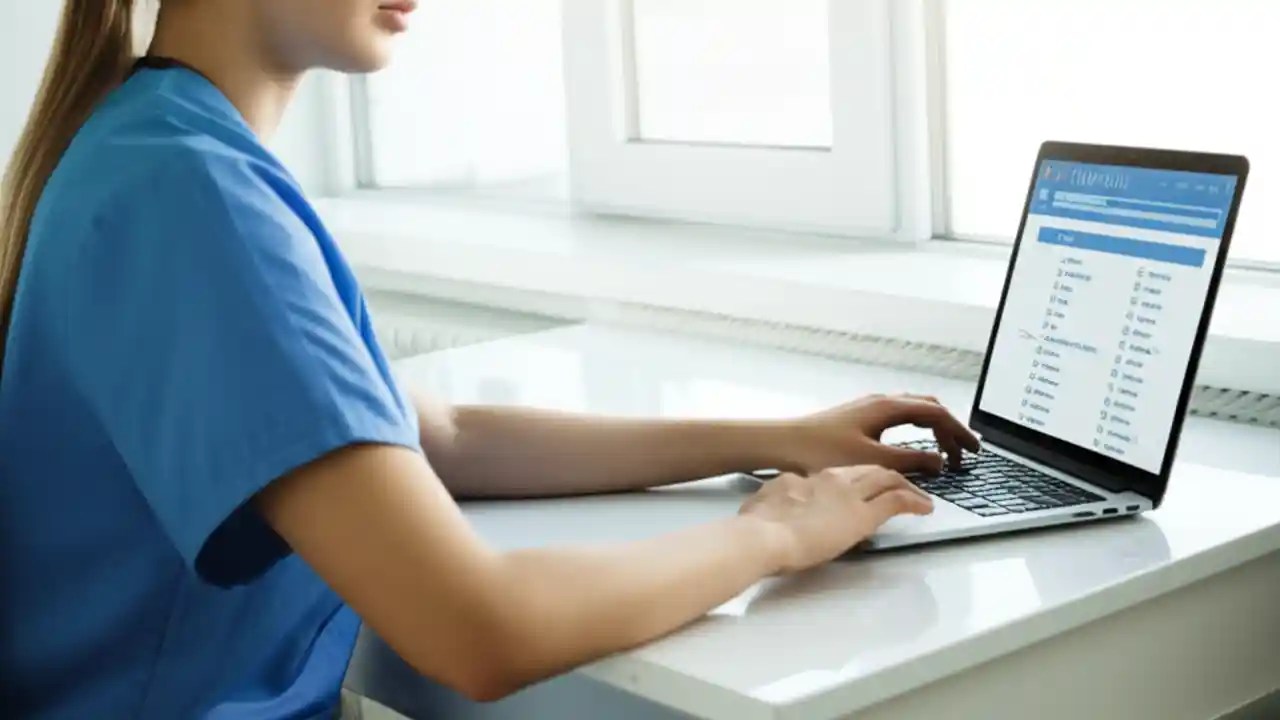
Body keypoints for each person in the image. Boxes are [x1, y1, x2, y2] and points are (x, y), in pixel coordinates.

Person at [0, 1, 980, 717]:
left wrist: (770, 438)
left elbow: (441, 433)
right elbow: (478, 630)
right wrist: (770, 537)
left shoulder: (155, 147)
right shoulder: (192, 197)